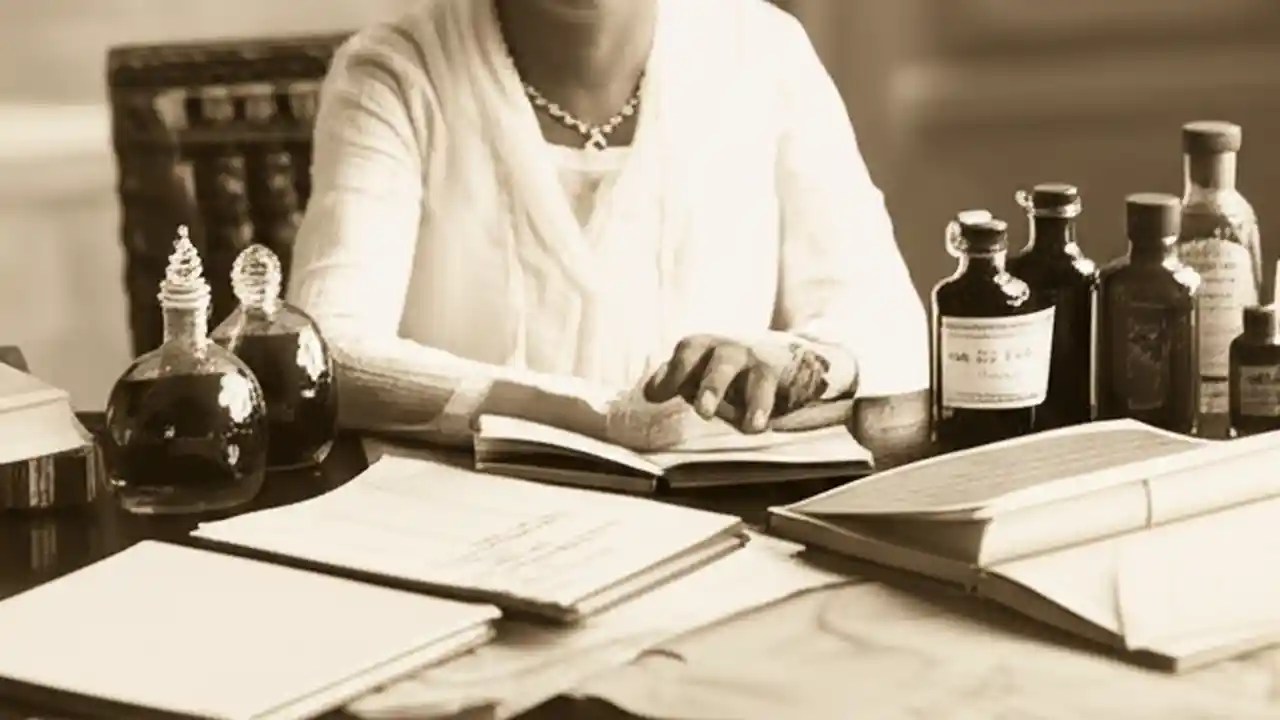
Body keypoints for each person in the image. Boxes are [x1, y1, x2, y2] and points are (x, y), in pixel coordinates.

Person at [287, 0, 930, 452]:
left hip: (720, 530)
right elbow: (330, 352)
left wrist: (790, 362)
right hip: (462, 534)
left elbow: (885, 325)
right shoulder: (396, 70)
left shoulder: (765, 52)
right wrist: (601, 419)